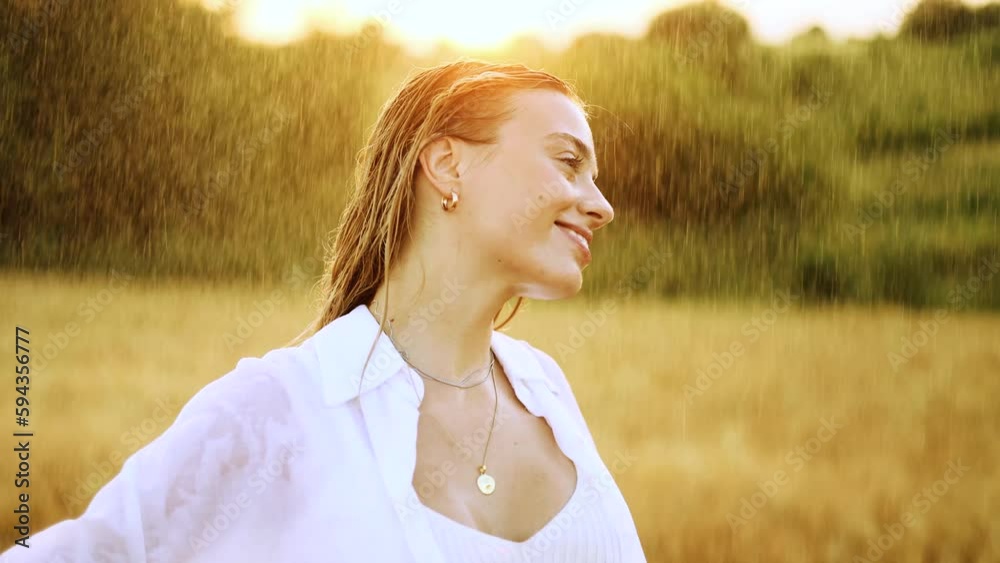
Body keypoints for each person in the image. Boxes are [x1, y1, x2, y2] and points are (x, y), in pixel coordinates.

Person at [1, 59, 647, 562]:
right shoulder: (276, 411)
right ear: (448, 164)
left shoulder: (546, 392)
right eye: (569, 162)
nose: (600, 203)